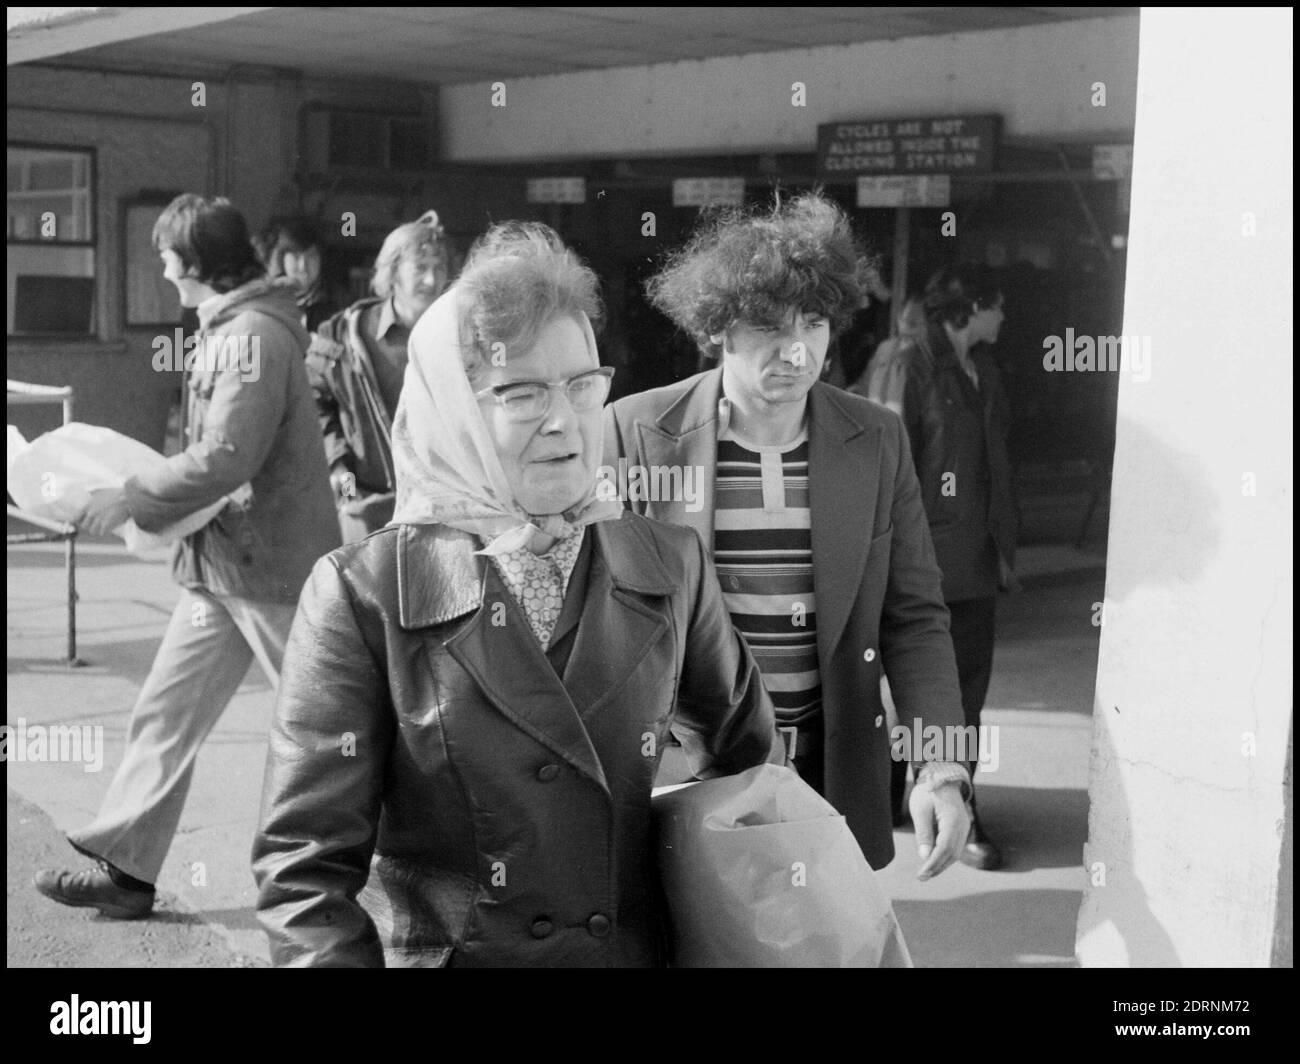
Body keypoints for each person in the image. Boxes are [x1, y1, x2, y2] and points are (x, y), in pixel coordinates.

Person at [251, 222, 784, 968]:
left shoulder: (668, 561)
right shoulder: (365, 595)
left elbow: (749, 774)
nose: (565, 421)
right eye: (522, 392)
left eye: (583, 385)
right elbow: (303, 878)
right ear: (455, 411)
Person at [603, 191, 972, 876]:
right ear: (719, 328)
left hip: (830, 777)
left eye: (813, 322)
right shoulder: (633, 432)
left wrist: (941, 765)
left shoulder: (876, 439)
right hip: (685, 776)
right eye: (769, 325)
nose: (797, 350)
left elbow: (916, 617)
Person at [34, 194, 340, 918]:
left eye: (167, 256)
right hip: (227, 569)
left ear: (196, 261)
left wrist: (130, 496)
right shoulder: (236, 327)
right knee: (165, 713)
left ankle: (427, 866)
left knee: (332, 733)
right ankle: (126, 867)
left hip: (270, 574)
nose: (163, 269)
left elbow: (227, 458)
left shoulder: (252, 336)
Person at [855, 265, 1017, 869]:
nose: (1003, 319)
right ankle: (903, 795)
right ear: (971, 305)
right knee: (901, 680)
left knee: (963, 691)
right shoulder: (909, 365)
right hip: (919, 560)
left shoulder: (983, 370)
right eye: (997, 306)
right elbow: (880, 468)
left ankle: (957, 802)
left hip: (975, 558)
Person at [305, 209, 452, 541]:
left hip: (443, 509)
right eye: (420, 267)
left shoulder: (463, 335)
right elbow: (312, 400)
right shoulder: (345, 333)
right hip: (368, 507)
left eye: (439, 268)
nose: (431, 280)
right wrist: (339, 470)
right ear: (393, 271)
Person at [262, 215, 339, 332]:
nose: (303, 266)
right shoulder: (267, 301)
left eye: (311, 256)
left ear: (321, 259)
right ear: (282, 259)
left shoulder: (339, 302)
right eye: (296, 257)